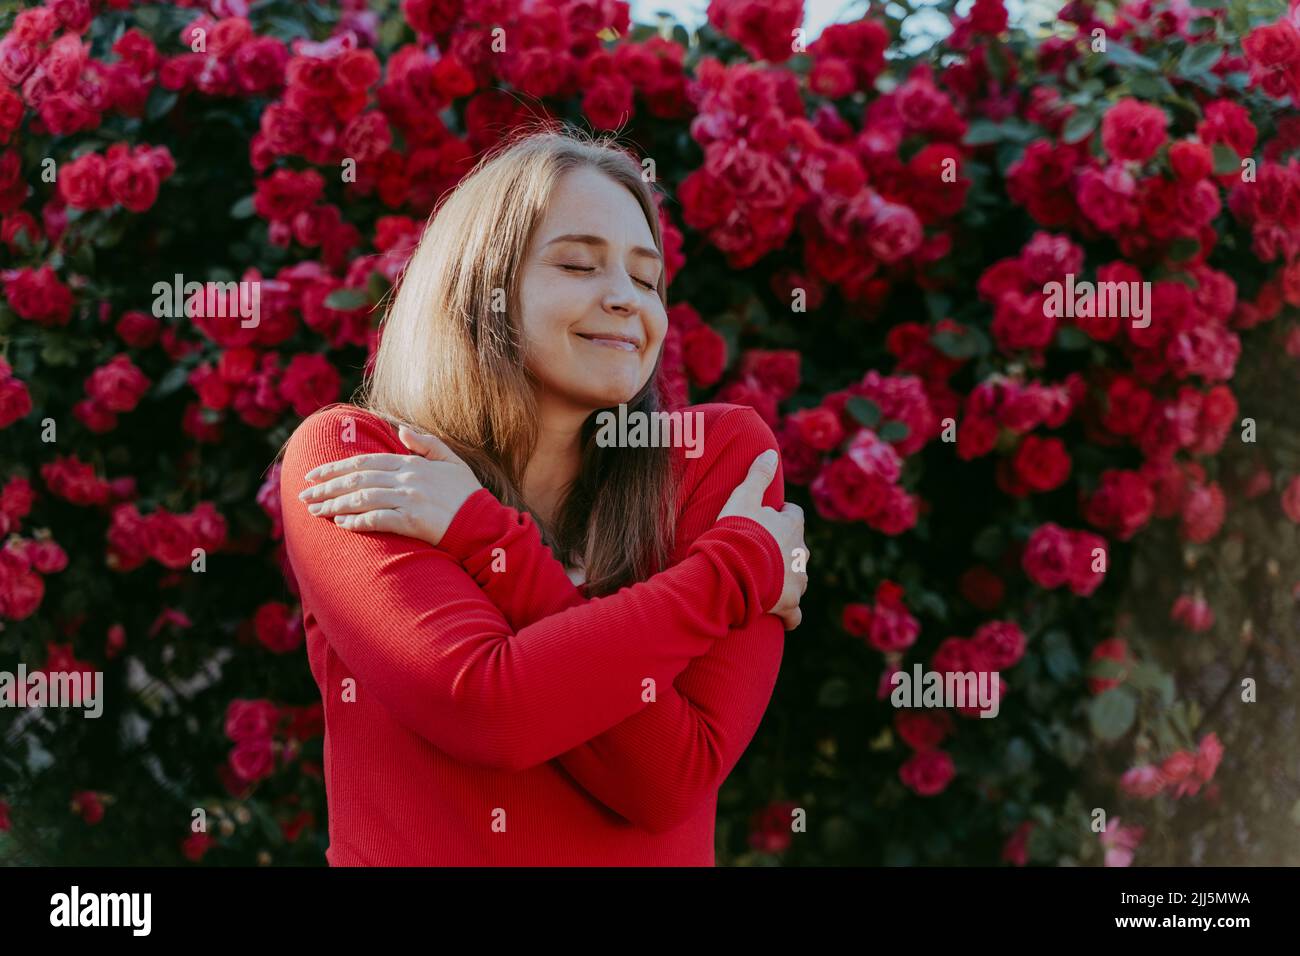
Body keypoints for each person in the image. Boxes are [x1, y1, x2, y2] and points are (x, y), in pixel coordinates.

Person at [279, 126, 808, 865]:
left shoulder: (715, 460)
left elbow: (665, 783)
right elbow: (492, 711)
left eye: (646, 277)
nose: (626, 300)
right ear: (479, 289)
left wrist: (482, 541)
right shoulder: (362, 459)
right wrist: (736, 572)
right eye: (579, 265)